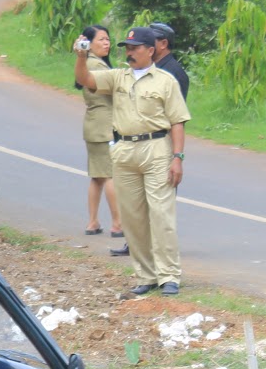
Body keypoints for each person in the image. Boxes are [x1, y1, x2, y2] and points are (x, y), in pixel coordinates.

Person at [74, 26, 191, 296]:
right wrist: (81, 57)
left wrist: (177, 157)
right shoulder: (117, 77)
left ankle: (168, 275)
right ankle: (146, 275)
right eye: (127, 48)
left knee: (161, 214)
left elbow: (177, 122)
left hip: (156, 148)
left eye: (135, 48)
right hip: (125, 149)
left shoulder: (165, 80)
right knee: (133, 217)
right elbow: (85, 79)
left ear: (150, 50)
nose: (130, 52)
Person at [76, 25, 123, 241]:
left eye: (107, 39)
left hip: (93, 124)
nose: (106, 43)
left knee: (97, 176)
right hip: (105, 125)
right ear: (89, 43)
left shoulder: (89, 62)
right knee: (110, 175)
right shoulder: (95, 64)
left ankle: (93, 221)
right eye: (101, 39)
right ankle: (118, 223)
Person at [149, 21, 190, 98]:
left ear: (164, 44)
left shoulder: (175, 74)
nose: (146, 44)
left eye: (150, 40)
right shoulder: (149, 67)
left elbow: (176, 104)